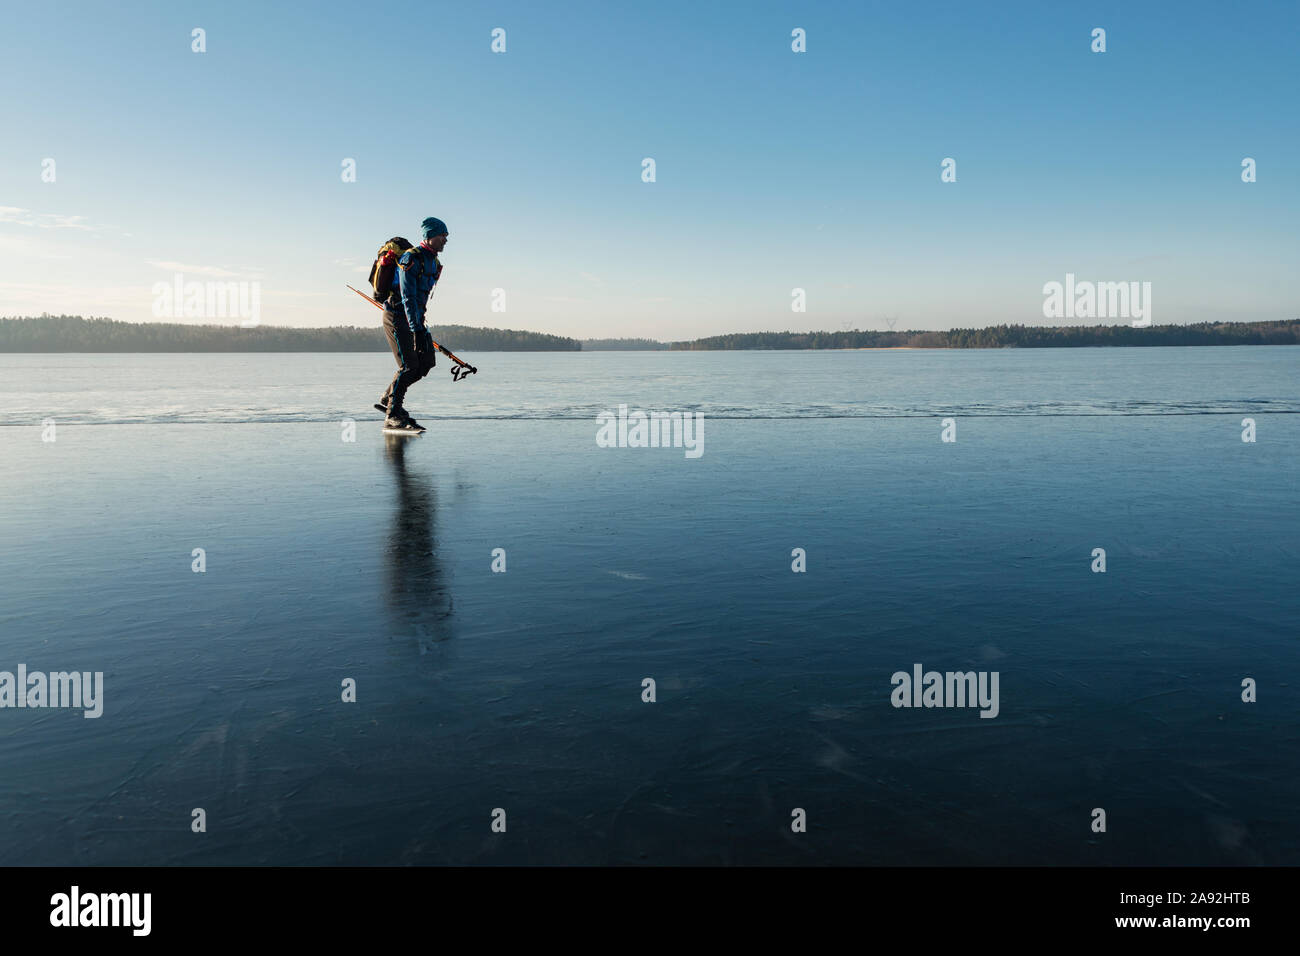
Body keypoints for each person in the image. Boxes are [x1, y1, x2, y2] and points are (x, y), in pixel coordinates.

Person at [376, 217, 448, 432]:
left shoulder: (434, 262)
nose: (445, 240)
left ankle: (389, 397)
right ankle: (393, 414)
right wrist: (416, 330)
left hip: (416, 320)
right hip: (397, 317)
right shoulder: (411, 258)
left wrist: (419, 326)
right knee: (409, 366)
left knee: (426, 363)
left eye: (446, 236)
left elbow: (421, 298)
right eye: (441, 235)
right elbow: (407, 296)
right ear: (430, 236)